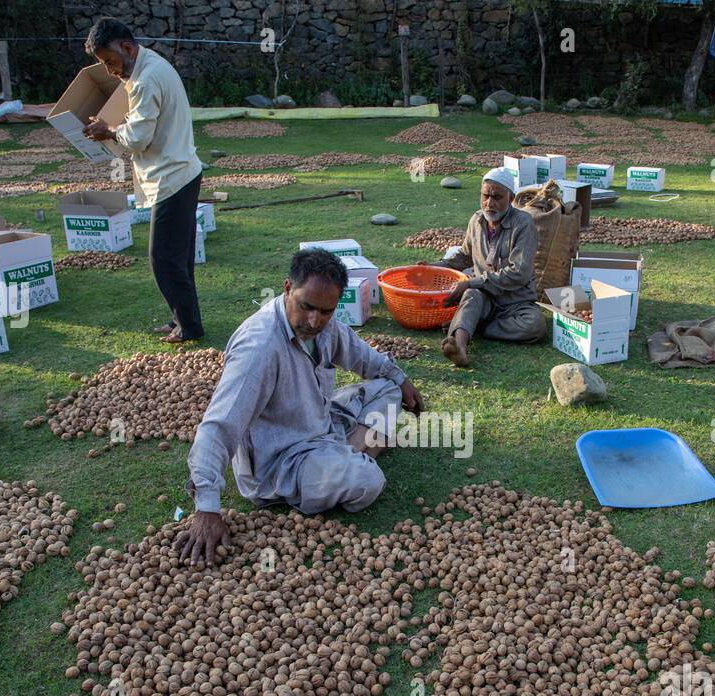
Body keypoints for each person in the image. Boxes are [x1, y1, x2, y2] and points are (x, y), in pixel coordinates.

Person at [175, 250, 425, 566]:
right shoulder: (260, 348)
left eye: (326, 311)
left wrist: (400, 380)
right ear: (287, 289)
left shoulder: (324, 325)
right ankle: (349, 460)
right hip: (281, 462)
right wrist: (207, 507)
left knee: (387, 388)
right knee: (368, 480)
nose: (314, 321)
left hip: (321, 423)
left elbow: (362, 356)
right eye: (306, 306)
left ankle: (342, 457)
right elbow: (219, 426)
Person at [81, 17, 205, 344]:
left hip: (173, 177)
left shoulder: (147, 78)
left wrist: (107, 131)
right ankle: (183, 320)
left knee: (163, 259)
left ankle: (189, 328)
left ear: (126, 47)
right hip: (181, 171)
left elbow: (137, 139)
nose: (110, 70)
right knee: (178, 258)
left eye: (111, 61)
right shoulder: (148, 66)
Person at [426, 167, 545, 368]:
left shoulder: (523, 224)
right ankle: (460, 347)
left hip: (515, 301)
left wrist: (472, 281)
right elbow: (464, 256)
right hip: (484, 297)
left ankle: (476, 326)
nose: (489, 203)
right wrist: (433, 267)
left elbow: (519, 273)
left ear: (511, 198)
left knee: (536, 325)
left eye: (497, 197)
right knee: (472, 295)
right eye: (485, 196)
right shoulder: (477, 220)